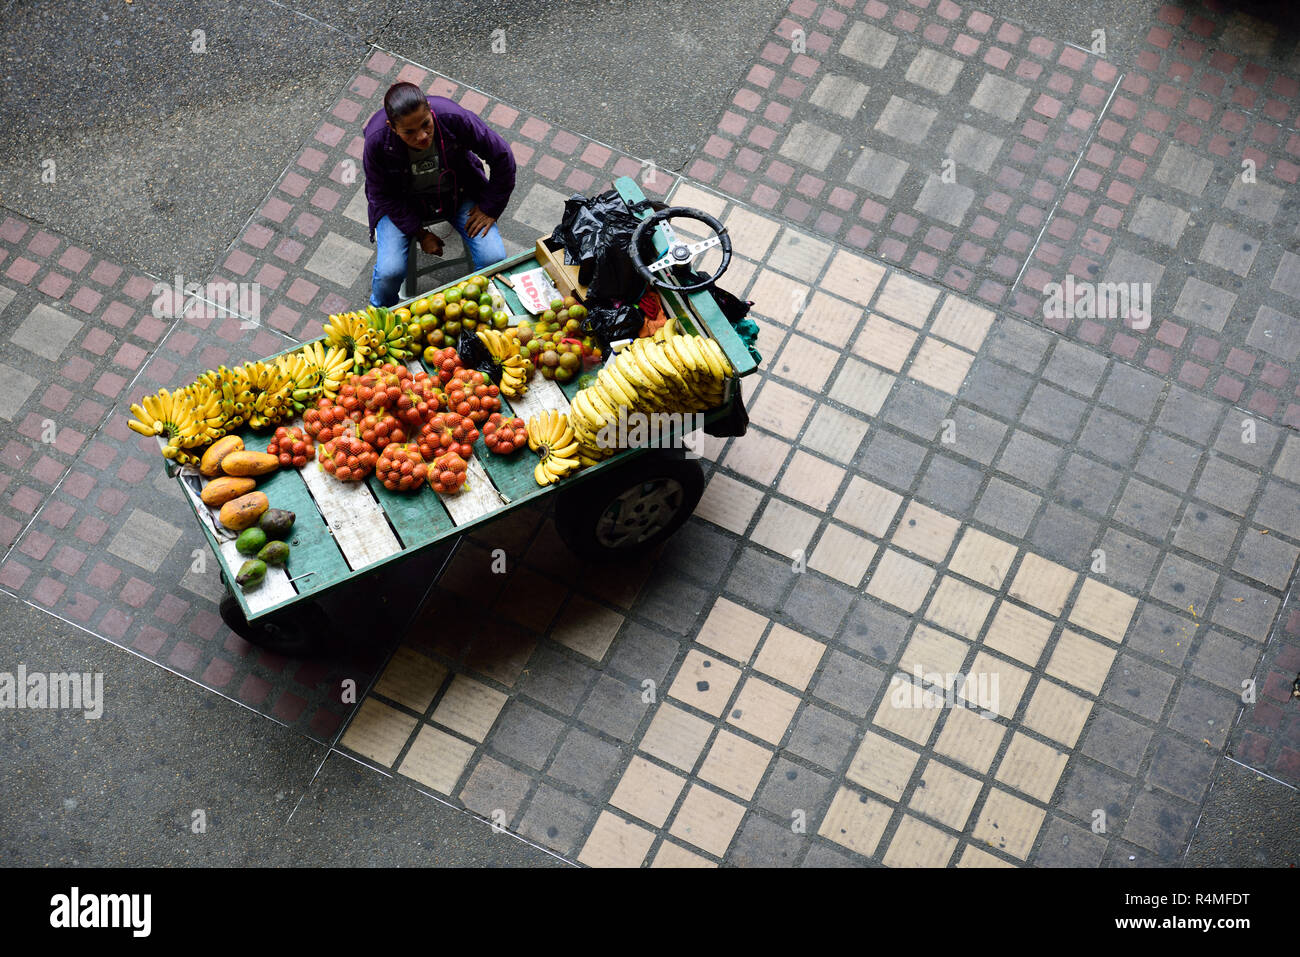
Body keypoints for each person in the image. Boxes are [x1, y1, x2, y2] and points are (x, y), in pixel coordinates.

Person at [363, 82, 517, 307]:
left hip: (458, 192)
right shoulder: (377, 142)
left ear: (430, 110)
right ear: (392, 127)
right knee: (389, 272)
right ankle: (379, 314)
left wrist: (490, 207)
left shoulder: (454, 118)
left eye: (426, 124)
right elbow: (380, 195)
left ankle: (474, 307)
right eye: (409, 132)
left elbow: (503, 156)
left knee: (493, 258)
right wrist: (420, 233)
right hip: (401, 203)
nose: (422, 136)